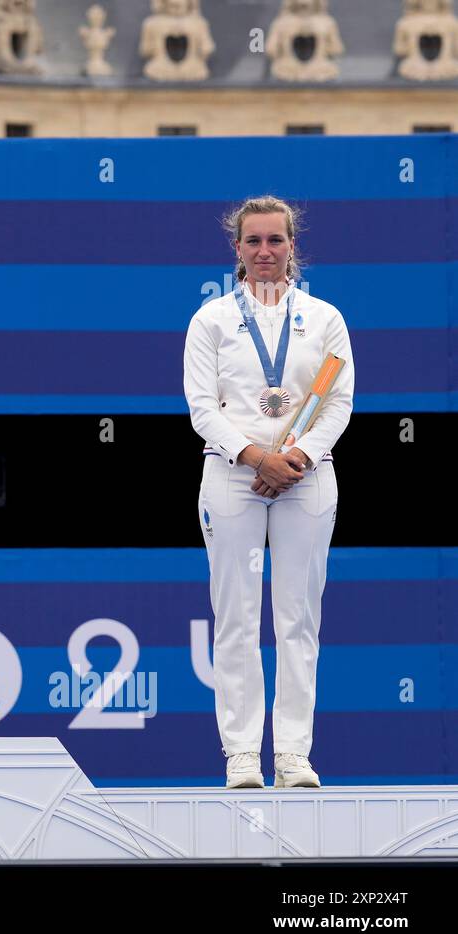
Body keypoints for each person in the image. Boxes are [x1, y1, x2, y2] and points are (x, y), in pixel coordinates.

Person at [183, 195, 354, 789]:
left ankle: (292, 755)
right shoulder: (210, 321)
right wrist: (258, 457)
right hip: (234, 476)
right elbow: (202, 409)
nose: (264, 252)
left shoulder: (325, 318)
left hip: (307, 477)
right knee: (235, 619)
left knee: (298, 619)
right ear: (236, 249)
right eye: (253, 242)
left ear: (291, 245)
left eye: (275, 241)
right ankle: (240, 755)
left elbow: (338, 402)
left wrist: (296, 458)